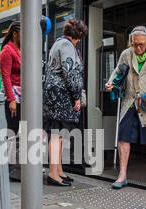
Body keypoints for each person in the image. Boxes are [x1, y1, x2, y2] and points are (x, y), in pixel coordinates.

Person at [105, 26, 146, 189]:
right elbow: (117, 71)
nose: (138, 48)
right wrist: (110, 83)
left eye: (141, 44)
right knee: (123, 138)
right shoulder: (126, 54)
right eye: (135, 44)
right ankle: (122, 175)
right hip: (129, 102)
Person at [43, 18, 88, 187]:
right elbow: (70, 73)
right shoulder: (68, 46)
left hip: (52, 94)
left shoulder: (57, 43)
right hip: (61, 95)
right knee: (57, 135)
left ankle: (59, 171)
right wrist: (76, 96)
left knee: (58, 135)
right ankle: (53, 174)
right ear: (78, 35)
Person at [0, 21, 21, 181]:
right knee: (12, 133)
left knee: (19, 133)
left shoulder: (21, 50)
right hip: (13, 96)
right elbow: (5, 76)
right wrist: (11, 100)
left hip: (22, 95)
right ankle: (10, 170)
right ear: (15, 33)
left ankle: (17, 168)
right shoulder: (7, 51)